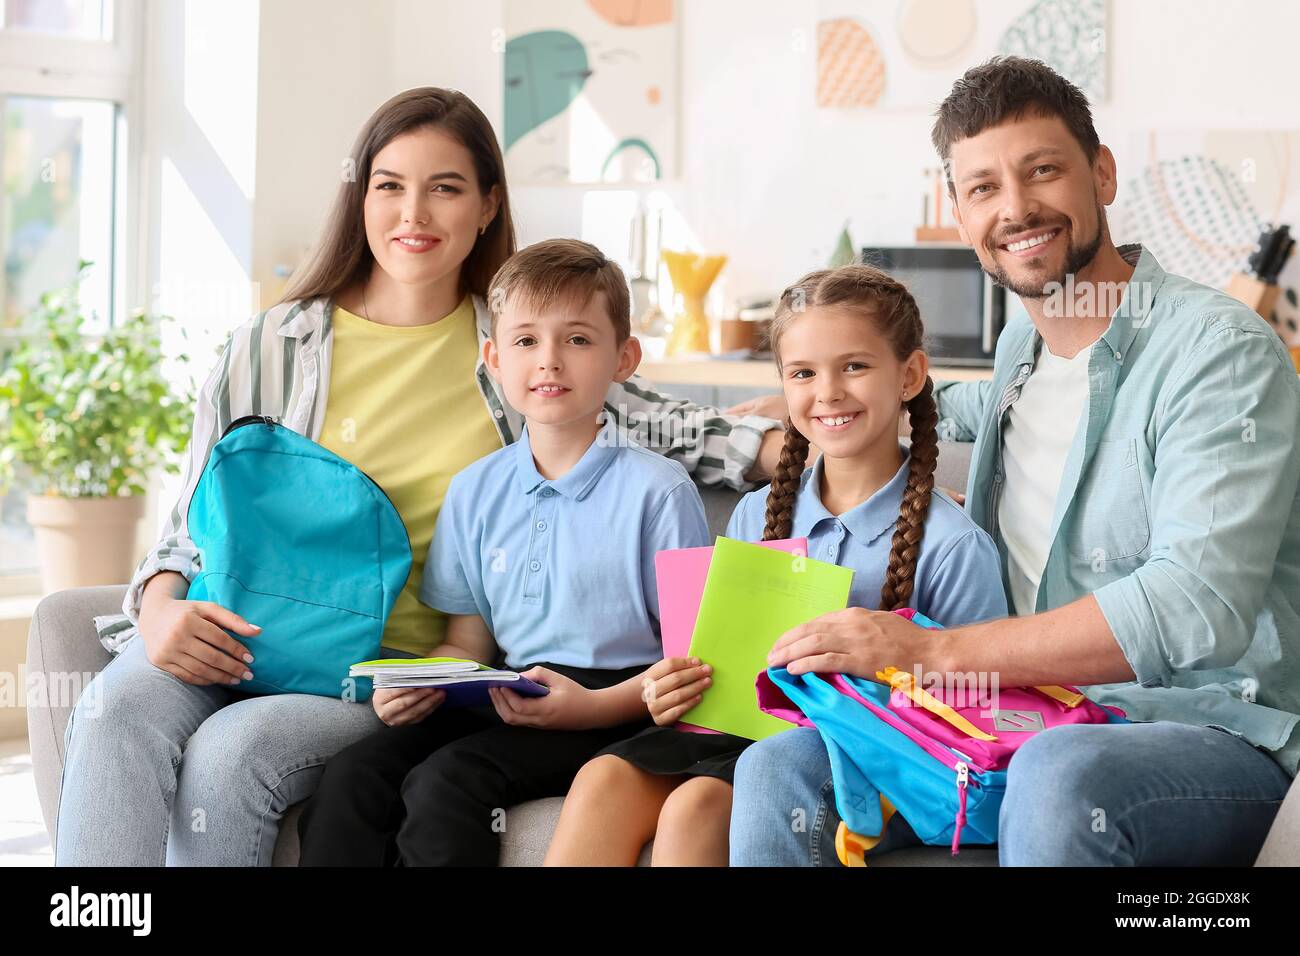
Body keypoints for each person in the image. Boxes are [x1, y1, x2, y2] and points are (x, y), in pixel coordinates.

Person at [58, 89, 783, 867]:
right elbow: (185, 527)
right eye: (390, 185)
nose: (415, 213)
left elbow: (679, 427)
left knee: (233, 755)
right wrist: (162, 609)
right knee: (108, 713)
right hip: (230, 631)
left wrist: (820, 439)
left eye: (446, 187)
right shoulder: (274, 344)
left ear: (486, 205)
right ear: (359, 195)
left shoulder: (516, 339)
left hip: (387, 675)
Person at [729, 57, 1300, 866]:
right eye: (984, 187)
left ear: (1100, 173)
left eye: (1043, 171)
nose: (1017, 208)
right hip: (1018, 717)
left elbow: (1195, 603)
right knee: (779, 766)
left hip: (1201, 731)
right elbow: (957, 407)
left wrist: (931, 652)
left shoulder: (1217, 353)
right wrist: (804, 419)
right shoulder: (1021, 352)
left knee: (1060, 773)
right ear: (960, 214)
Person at [544, 265, 1007, 866]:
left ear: (911, 375)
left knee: (695, 808)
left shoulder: (953, 545)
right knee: (601, 780)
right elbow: (711, 661)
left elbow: (981, 706)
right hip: (736, 732)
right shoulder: (757, 512)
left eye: (856, 366)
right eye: (804, 373)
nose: (829, 392)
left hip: (848, 756)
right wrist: (671, 687)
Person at [296, 239, 711, 866]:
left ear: (623, 358)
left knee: (447, 782)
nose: (548, 361)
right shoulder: (475, 489)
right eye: (524, 341)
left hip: (622, 708)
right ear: (492, 357)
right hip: (510, 692)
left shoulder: (660, 491)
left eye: (576, 340)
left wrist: (591, 708)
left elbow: (690, 666)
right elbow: (468, 643)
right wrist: (418, 683)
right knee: (354, 775)